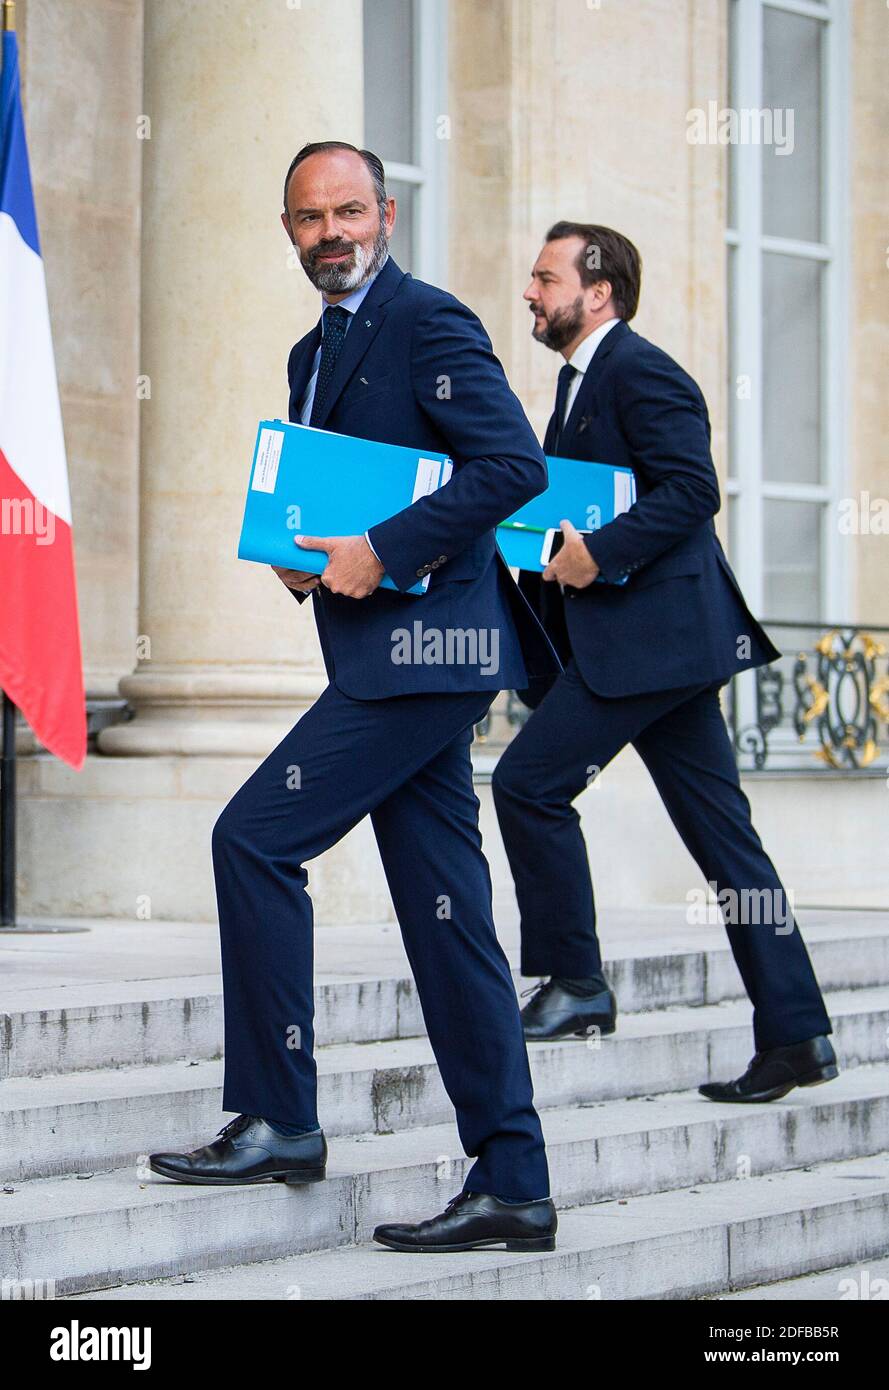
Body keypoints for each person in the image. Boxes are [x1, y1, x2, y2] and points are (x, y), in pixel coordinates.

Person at [149, 143, 561, 1254]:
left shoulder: (429, 321)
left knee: (253, 836)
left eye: (347, 211)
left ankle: (283, 1115)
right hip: (385, 659)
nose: (330, 232)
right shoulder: (310, 349)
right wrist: (301, 557)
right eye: (307, 218)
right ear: (288, 229)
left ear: (386, 212)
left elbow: (513, 467)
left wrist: (380, 550)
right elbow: (337, 488)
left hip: (429, 656)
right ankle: (513, 1178)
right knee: (450, 923)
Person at [492, 221, 837, 1104]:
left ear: (596, 291)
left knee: (528, 784)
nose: (529, 293)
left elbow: (691, 490)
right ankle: (796, 1034)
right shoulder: (575, 387)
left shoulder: (639, 369)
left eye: (543, 277)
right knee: (726, 841)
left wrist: (596, 555)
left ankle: (575, 982)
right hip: (659, 648)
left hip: (648, 642)